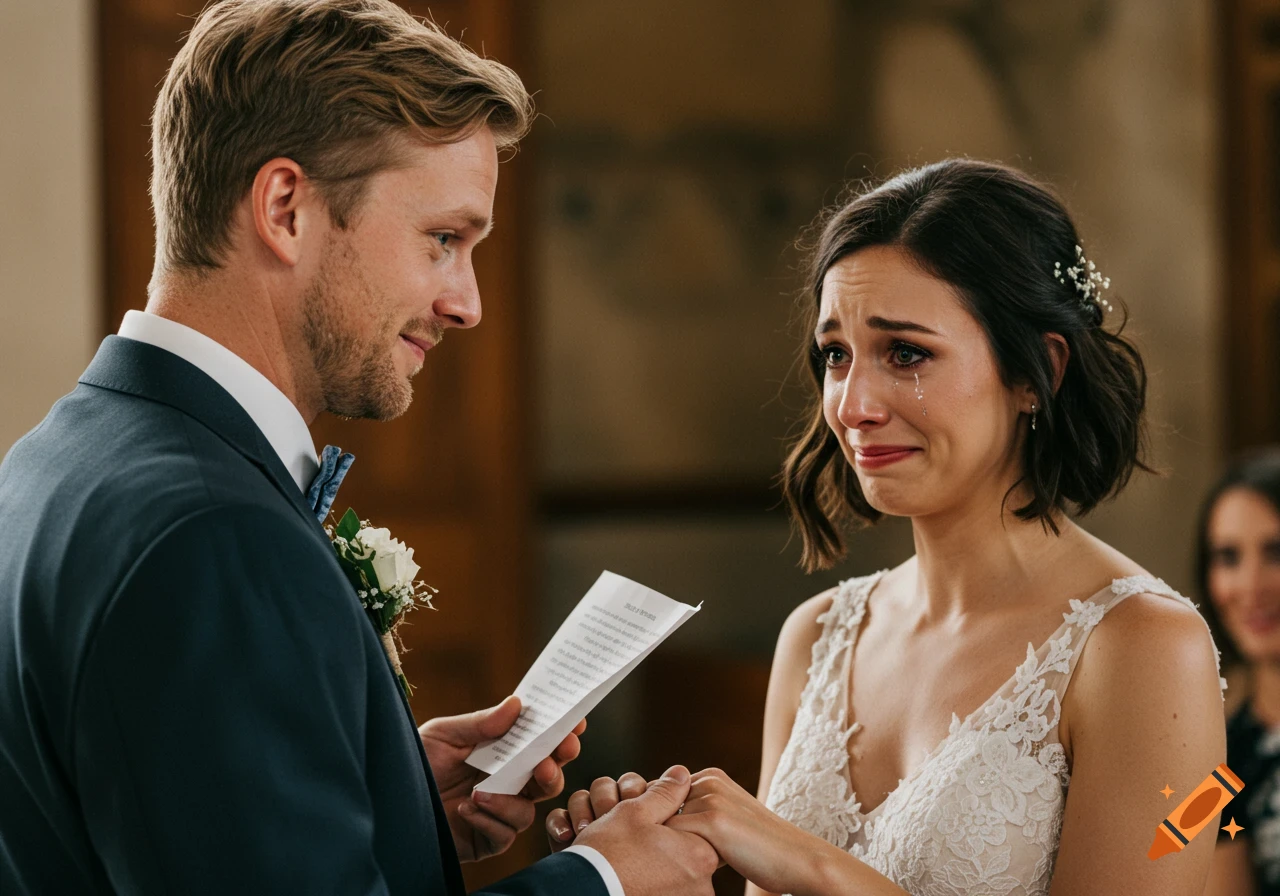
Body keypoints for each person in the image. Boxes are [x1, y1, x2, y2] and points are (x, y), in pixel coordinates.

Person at [0, 2, 717, 894]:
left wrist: (390, 798)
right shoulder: (218, 536)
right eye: (443, 240)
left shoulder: (48, 463)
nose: (467, 304)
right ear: (287, 208)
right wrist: (603, 881)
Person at [548, 159, 1227, 895]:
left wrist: (808, 863)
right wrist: (649, 865)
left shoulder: (1143, 646)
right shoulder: (817, 635)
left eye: (906, 353)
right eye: (837, 354)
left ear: (1038, 372)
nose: (852, 404)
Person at [1199, 449, 1280, 896]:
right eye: (1229, 557)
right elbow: (1161, 852)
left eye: (1277, 552)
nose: (1251, 586)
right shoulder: (1211, 769)